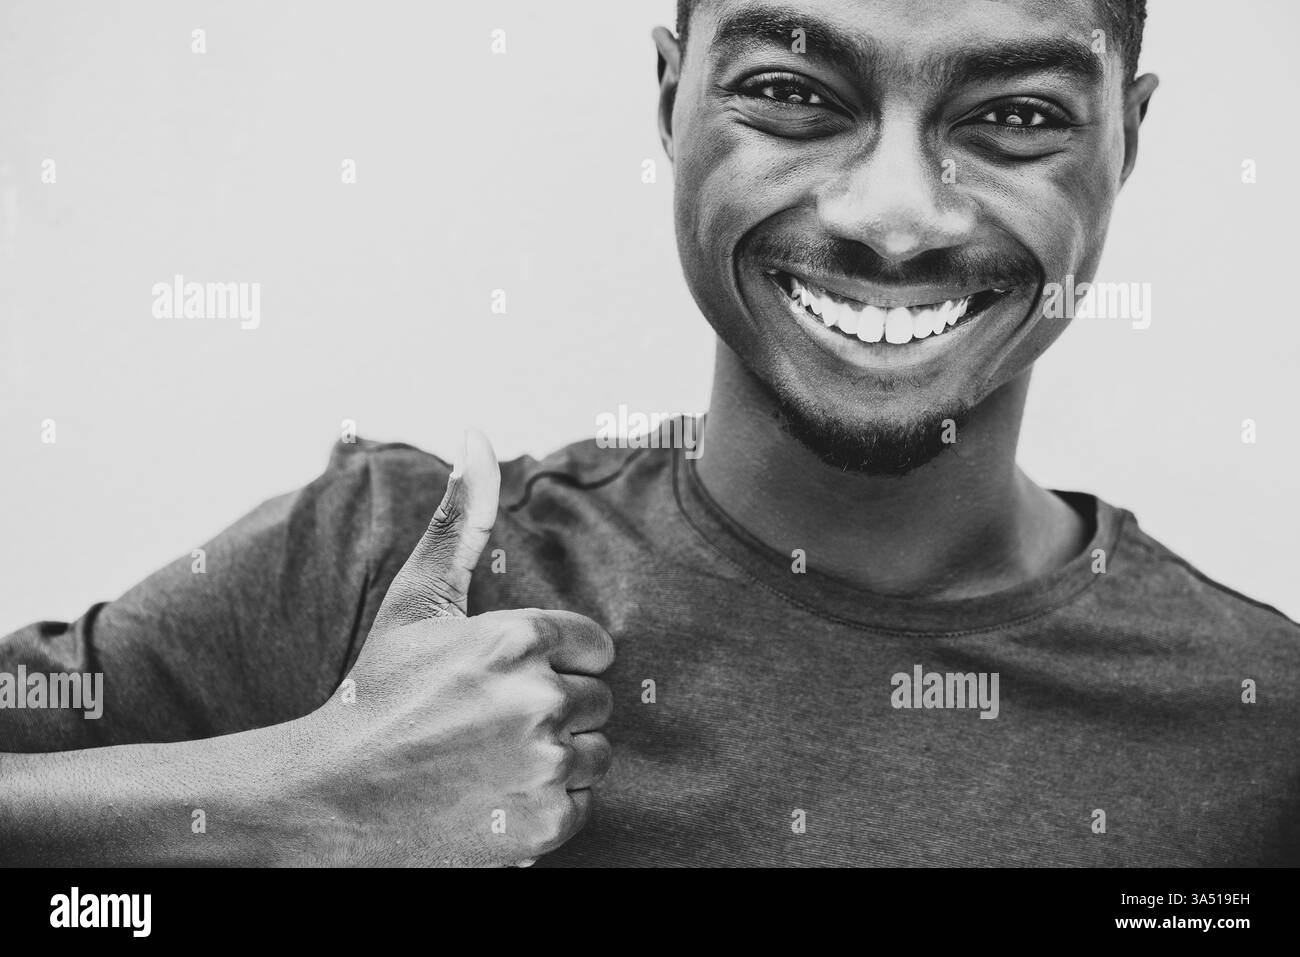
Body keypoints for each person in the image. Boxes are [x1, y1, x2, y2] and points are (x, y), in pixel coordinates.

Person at [3, 0, 1297, 867]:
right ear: (672, 97)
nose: (896, 216)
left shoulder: (1262, 733)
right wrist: (282, 797)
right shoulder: (383, 573)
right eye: (794, 91)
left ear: (1128, 137)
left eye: (1015, 116)